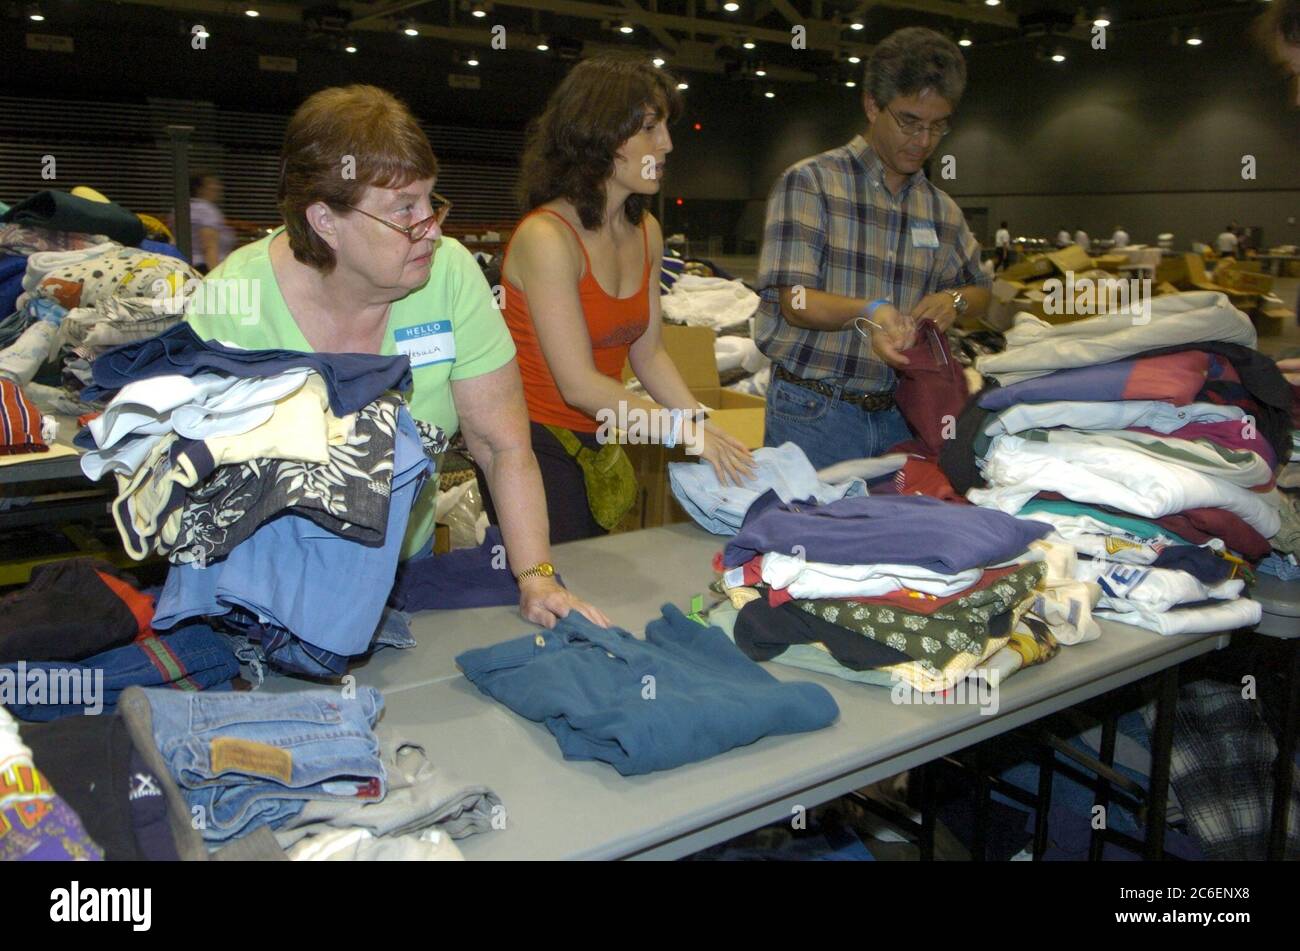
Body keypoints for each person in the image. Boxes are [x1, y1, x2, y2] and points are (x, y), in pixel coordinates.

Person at [185, 85, 609, 630]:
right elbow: (196, 486)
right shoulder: (230, 303)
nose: (431, 227)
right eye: (404, 209)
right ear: (325, 221)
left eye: (431, 200)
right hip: (254, 586)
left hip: (402, 574)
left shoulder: (450, 273)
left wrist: (537, 578)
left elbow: (501, 445)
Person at [498, 57, 754, 544]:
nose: (667, 145)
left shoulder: (646, 231)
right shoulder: (547, 238)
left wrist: (701, 423)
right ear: (600, 136)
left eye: (665, 128)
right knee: (569, 583)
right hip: (532, 443)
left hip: (603, 434)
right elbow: (577, 384)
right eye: (649, 129)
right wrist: (683, 432)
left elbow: (649, 352)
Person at [755, 26, 991, 471]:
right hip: (815, 414)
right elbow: (796, 302)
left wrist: (953, 300)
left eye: (937, 127)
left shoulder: (940, 209)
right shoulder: (811, 184)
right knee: (810, 535)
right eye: (909, 122)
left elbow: (981, 289)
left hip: (902, 415)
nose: (923, 141)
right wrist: (874, 310)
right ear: (871, 105)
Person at [185, 173, 235, 273]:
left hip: (187, 267)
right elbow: (209, 247)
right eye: (212, 184)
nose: (218, 187)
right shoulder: (207, 210)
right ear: (200, 189)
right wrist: (216, 278)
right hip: (206, 269)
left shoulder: (182, 209)